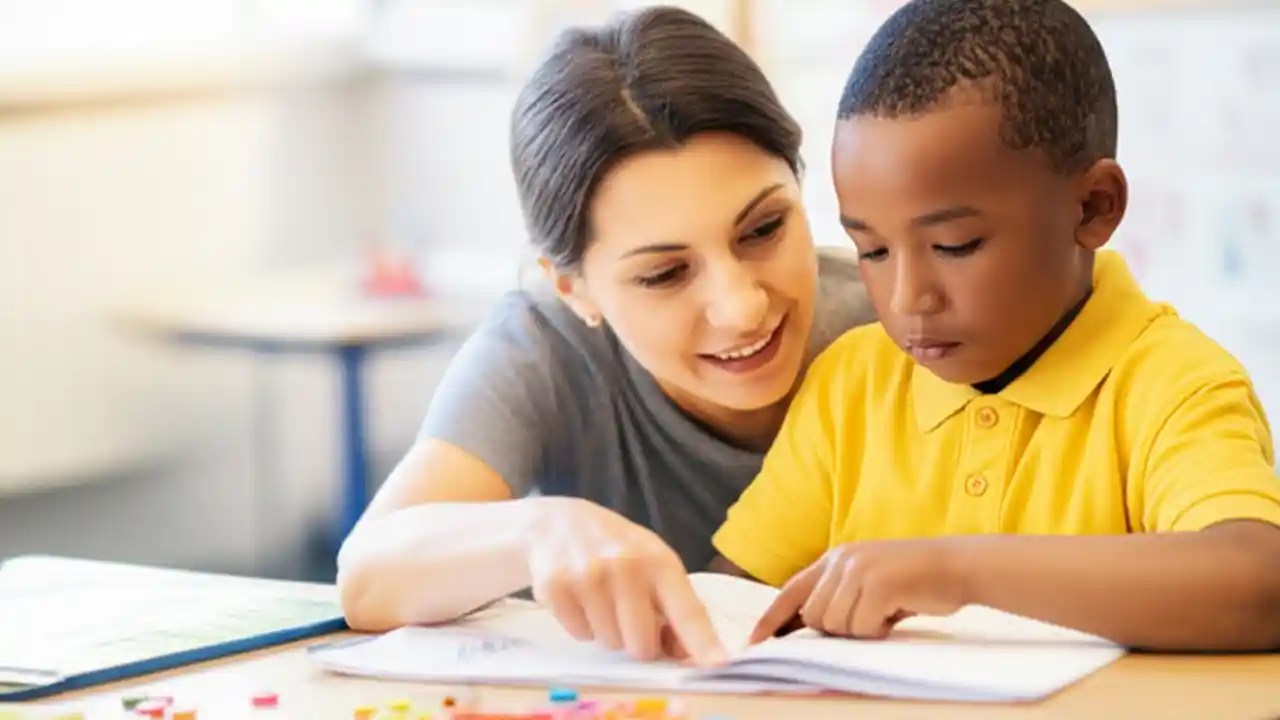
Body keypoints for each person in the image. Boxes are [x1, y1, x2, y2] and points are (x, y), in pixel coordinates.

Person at [713, 0, 1280, 651]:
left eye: (954, 246)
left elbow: (1260, 584)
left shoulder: (1174, 384)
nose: (908, 298)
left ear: (1093, 207)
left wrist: (960, 571)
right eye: (872, 250)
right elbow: (737, 603)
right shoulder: (851, 384)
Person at [336, 5, 875, 664]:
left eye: (764, 230)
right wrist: (539, 528)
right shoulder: (542, 348)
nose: (740, 308)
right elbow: (367, 577)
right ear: (573, 288)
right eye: (665, 273)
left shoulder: (902, 325)